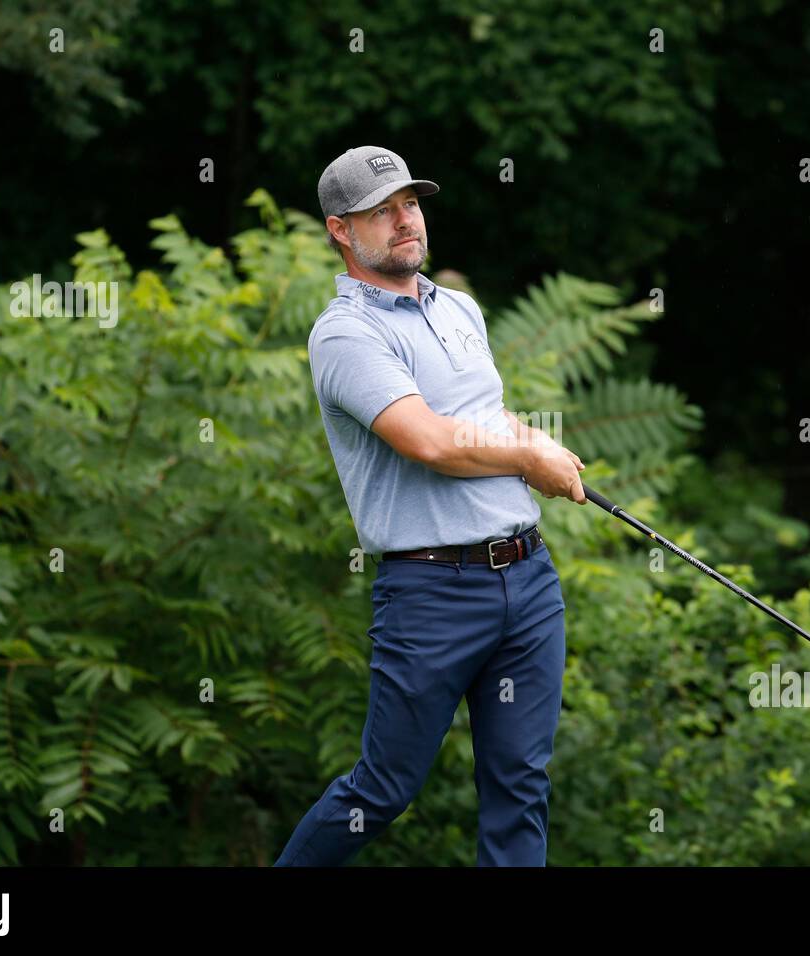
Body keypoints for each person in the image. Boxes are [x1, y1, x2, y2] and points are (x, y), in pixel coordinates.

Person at [273, 146, 587, 867]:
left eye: (409, 202)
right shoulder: (345, 334)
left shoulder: (459, 308)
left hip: (528, 581)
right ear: (340, 231)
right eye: (379, 211)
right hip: (431, 592)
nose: (403, 219)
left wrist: (537, 444)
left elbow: (488, 416)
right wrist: (526, 456)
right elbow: (431, 442)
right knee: (382, 789)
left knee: (520, 787)